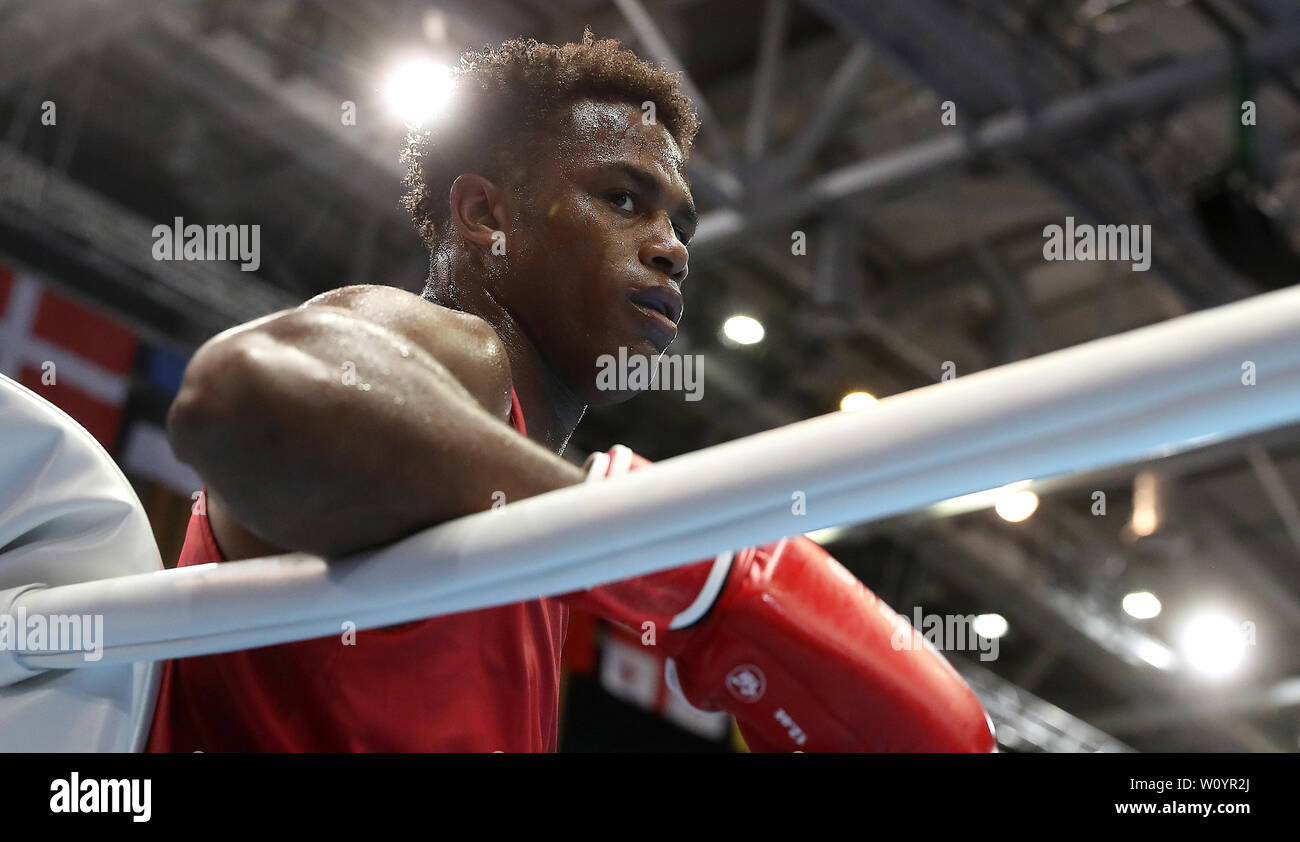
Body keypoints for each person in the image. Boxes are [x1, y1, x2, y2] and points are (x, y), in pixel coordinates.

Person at [146, 31, 994, 753]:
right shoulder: (460, 353)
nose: (671, 249)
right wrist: (661, 559)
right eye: (623, 199)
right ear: (485, 215)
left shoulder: (516, 534)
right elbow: (240, 392)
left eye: (680, 225)